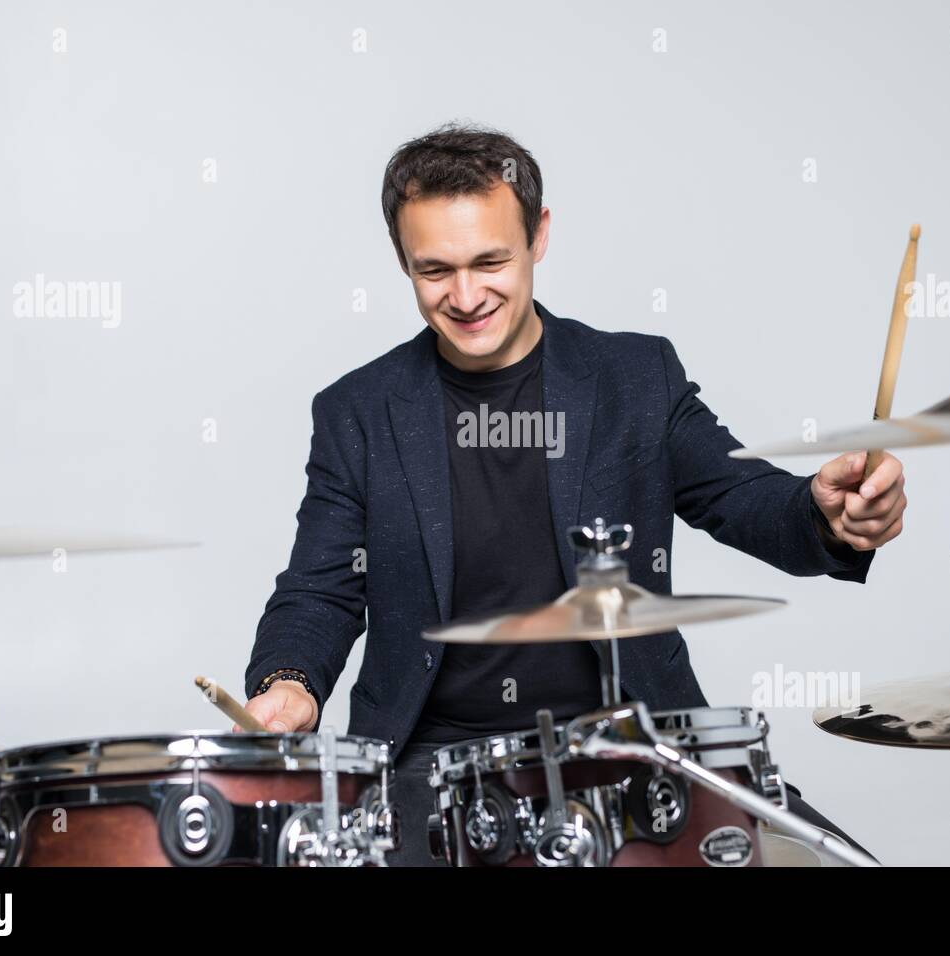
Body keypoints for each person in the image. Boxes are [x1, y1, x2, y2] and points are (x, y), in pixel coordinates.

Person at [240, 123, 907, 865]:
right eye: (435, 271)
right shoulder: (358, 411)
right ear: (403, 259)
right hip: (437, 769)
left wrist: (827, 511)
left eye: (491, 260)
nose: (466, 296)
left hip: (633, 750)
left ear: (539, 235)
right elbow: (320, 589)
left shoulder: (634, 378)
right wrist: (289, 684)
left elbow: (743, 498)